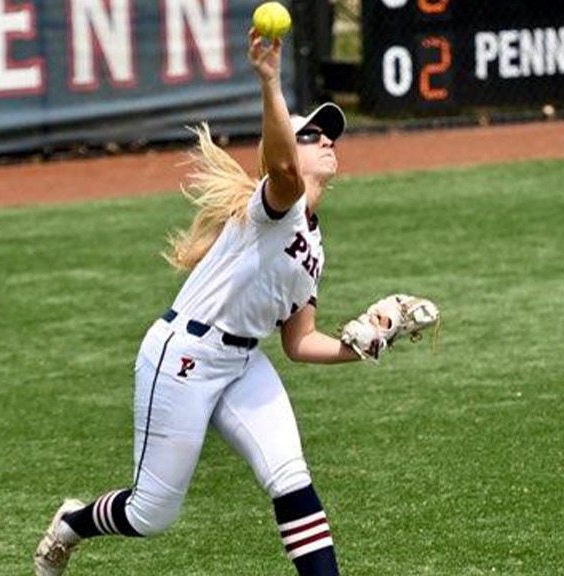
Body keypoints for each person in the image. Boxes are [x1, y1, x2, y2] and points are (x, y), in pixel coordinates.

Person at [33, 28, 368, 576]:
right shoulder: (277, 205)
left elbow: (300, 341)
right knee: (150, 514)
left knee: (290, 476)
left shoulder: (314, 242)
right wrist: (269, 81)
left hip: (242, 362)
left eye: (329, 134)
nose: (327, 140)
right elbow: (283, 169)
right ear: (287, 150)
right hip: (183, 358)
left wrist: (360, 346)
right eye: (311, 135)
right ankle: (72, 522)